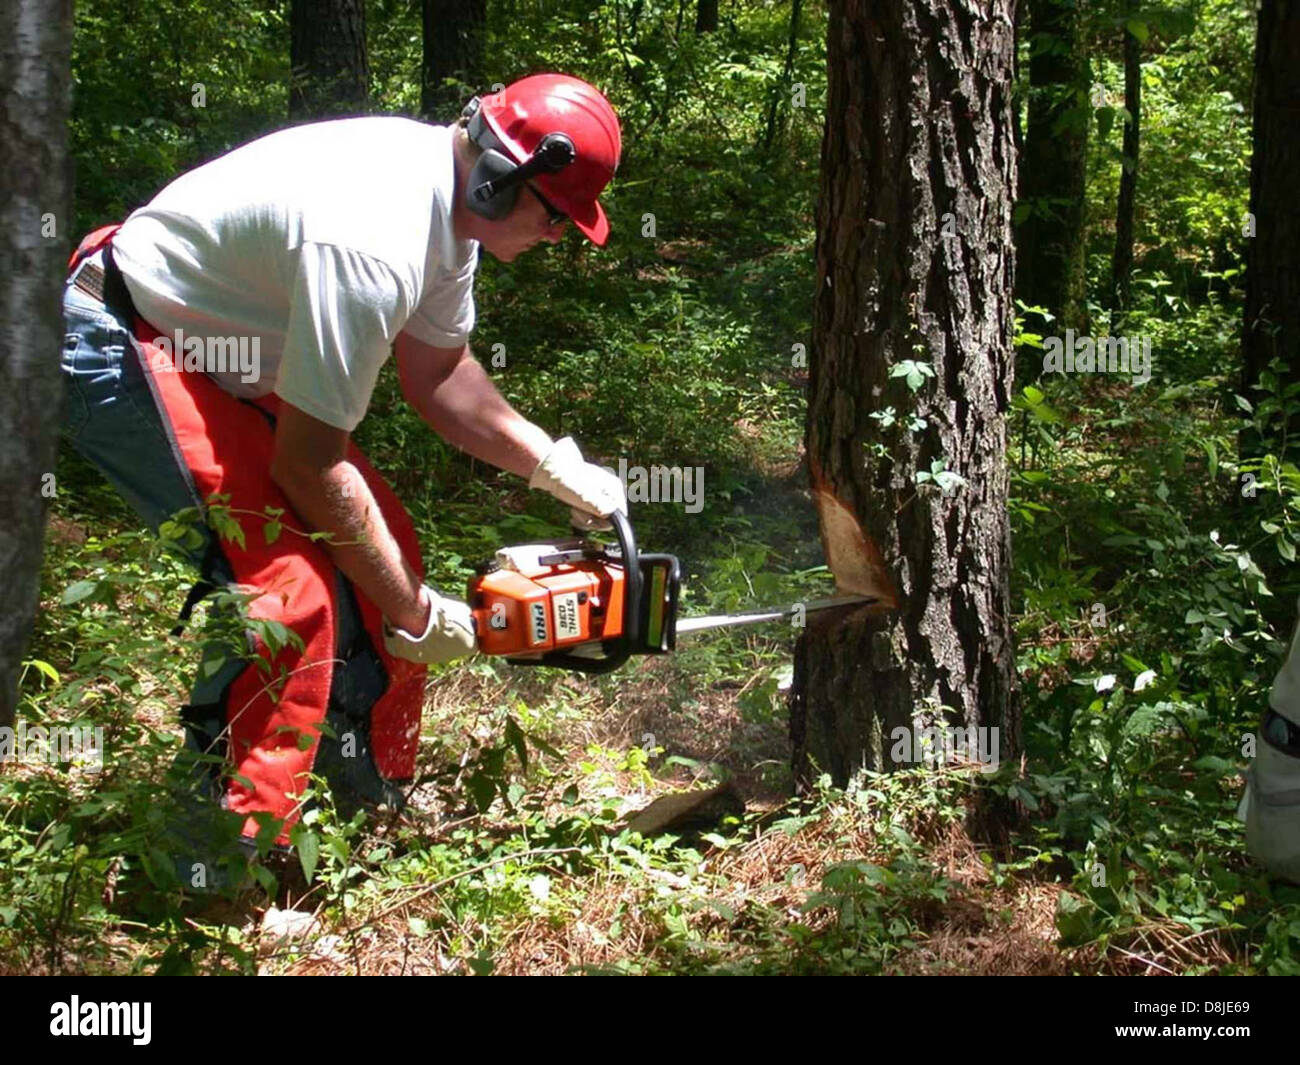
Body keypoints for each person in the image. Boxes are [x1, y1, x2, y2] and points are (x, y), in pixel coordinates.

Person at [59, 73, 627, 881]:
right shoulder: (374, 238)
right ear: (503, 178)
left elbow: (439, 375)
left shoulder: (448, 217)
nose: (558, 235)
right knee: (288, 603)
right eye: (557, 214)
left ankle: (356, 810)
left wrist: (547, 461)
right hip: (123, 336)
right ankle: (211, 876)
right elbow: (309, 464)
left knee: (388, 549)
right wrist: (416, 614)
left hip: (223, 355)